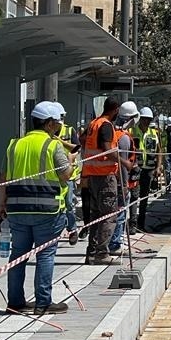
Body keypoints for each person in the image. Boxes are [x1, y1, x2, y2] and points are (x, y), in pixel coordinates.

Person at [0, 101, 72, 316]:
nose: (59, 126)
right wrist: (71, 159)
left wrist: (1, 203)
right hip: (46, 210)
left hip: (16, 209)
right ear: (48, 124)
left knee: (18, 255)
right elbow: (65, 175)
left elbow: (3, 177)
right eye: (57, 122)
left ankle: (15, 302)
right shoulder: (52, 145)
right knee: (45, 255)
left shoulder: (15, 145)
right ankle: (43, 302)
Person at [81, 96, 121, 265]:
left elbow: (82, 139)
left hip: (92, 176)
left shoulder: (93, 124)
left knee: (96, 215)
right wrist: (123, 161)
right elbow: (106, 149)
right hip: (104, 176)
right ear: (116, 110)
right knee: (109, 215)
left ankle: (91, 252)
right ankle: (102, 253)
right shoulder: (106, 126)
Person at [107, 101, 139, 254]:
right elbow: (123, 163)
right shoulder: (124, 138)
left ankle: (112, 242)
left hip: (111, 179)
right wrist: (125, 185)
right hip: (120, 181)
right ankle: (115, 244)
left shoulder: (115, 133)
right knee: (120, 213)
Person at [131, 106, 163, 230]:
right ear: (140, 119)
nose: (147, 122)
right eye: (145, 119)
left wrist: (158, 166)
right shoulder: (132, 131)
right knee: (134, 196)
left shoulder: (154, 133)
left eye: (149, 120)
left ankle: (141, 223)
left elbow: (160, 150)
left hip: (149, 170)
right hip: (135, 169)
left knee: (144, 198)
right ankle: (132, 223)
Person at [54, 106, 80, 245]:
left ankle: (72, 229)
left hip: (68, 175)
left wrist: (70, 159)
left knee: (69, 203)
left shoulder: (70, 131)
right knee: (57, 203)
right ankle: (56, 230)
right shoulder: (47, 132)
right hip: (53, 176)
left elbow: (77, 148)